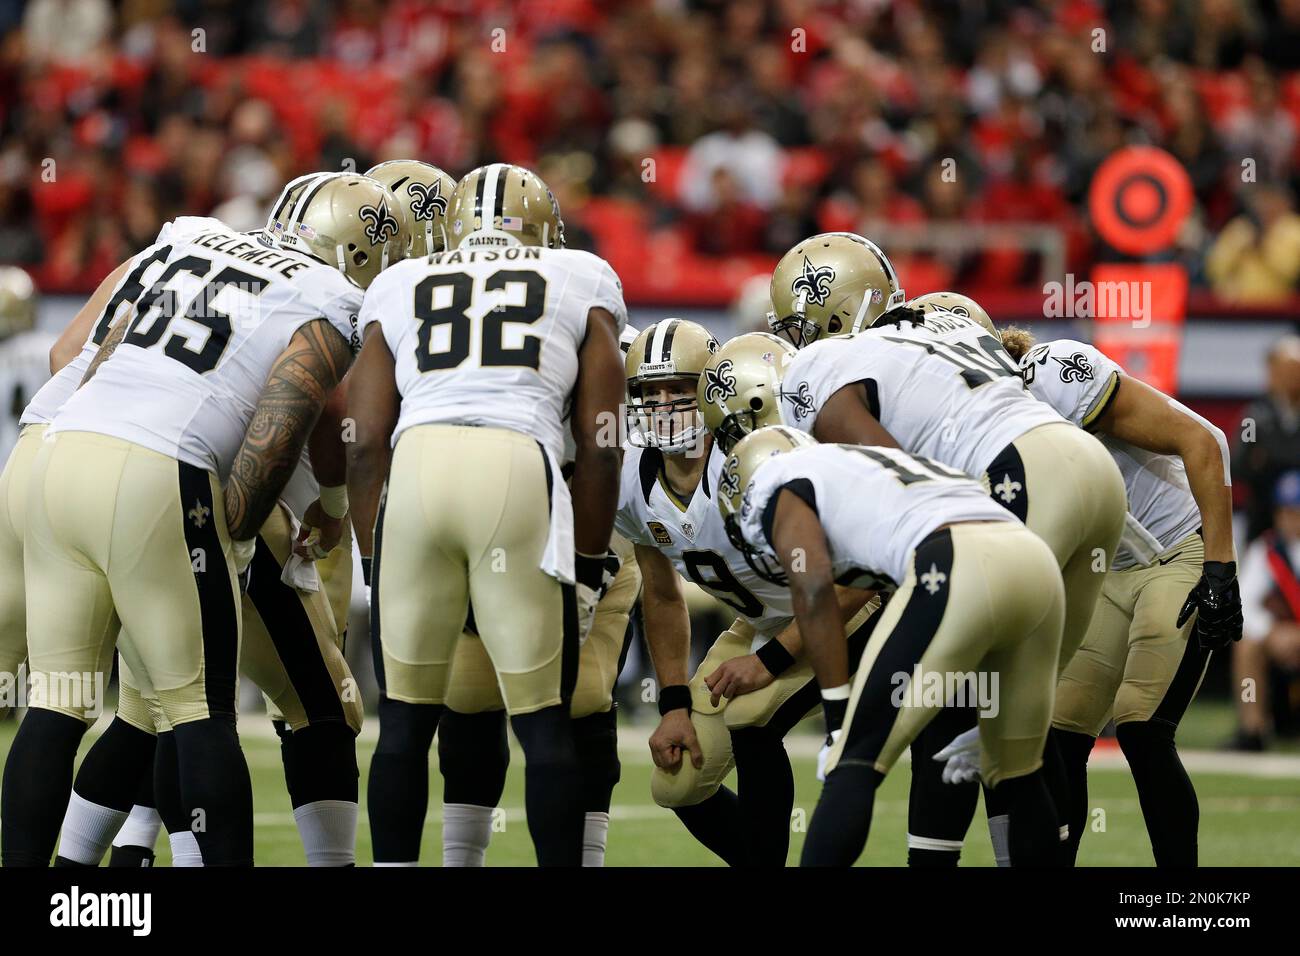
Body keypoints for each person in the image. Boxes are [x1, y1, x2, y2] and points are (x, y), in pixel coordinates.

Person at [1, 170, 406, 867]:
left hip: (56, 448)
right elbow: (287, 417)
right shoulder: (328, 292)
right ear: (363, 253)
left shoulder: (192, 237)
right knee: (198, 711)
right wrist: (240, 527)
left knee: (56, 703)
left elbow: (79, 357)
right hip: (161, 467)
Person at [764, 233, 1127, 865]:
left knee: (863, 743)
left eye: (797, 327)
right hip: (1090, 479)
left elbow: (893, 478)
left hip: (1016, 486)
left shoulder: (822, 365)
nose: (795, 342)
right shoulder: (945, 329)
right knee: (1016, 746)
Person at [347, 163, 627, 867]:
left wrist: (377, 560)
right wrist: (587, 567)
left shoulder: (399, 281)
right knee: (542, 727)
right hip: (513, 463)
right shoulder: (581, 275)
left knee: (404, 727)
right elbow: (601, 447)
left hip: (417, 467)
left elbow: (364, 439)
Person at [718, 426, 1065, 867]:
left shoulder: (776, 484)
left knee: (854, 761)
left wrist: (838, 717)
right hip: (1034, 561)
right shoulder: (860, 467)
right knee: (1020, 769)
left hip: (958, 562)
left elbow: (815, 589)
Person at [620, 323, 879, 867]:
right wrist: (671, 703)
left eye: (679, 390)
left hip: (850, 606)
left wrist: (770, 661)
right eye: (649, 392)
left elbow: (855, 572)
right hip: (764, 619)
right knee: (678, 781)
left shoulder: (756, 457)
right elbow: (663, 597)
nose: (662, 404)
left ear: (713, 392)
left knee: (751, 720)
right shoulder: (630, 482)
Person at [989, 329, 1240, 866]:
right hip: (1107, 570)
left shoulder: (1053, 373)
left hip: (1177, 550)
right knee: (1057, 735)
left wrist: (1221, 565)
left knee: (1141, 727)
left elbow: (1205, 440)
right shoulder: (974, 432)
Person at [1233, 471, 1300, 749]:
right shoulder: (1266, 550)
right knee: (1247, 646)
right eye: (1285, 512)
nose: (1290, 520)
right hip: (1281, 639)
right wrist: (1273, 631)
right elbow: (1244, 605)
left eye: (1296, 512)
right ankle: (1253, 732)